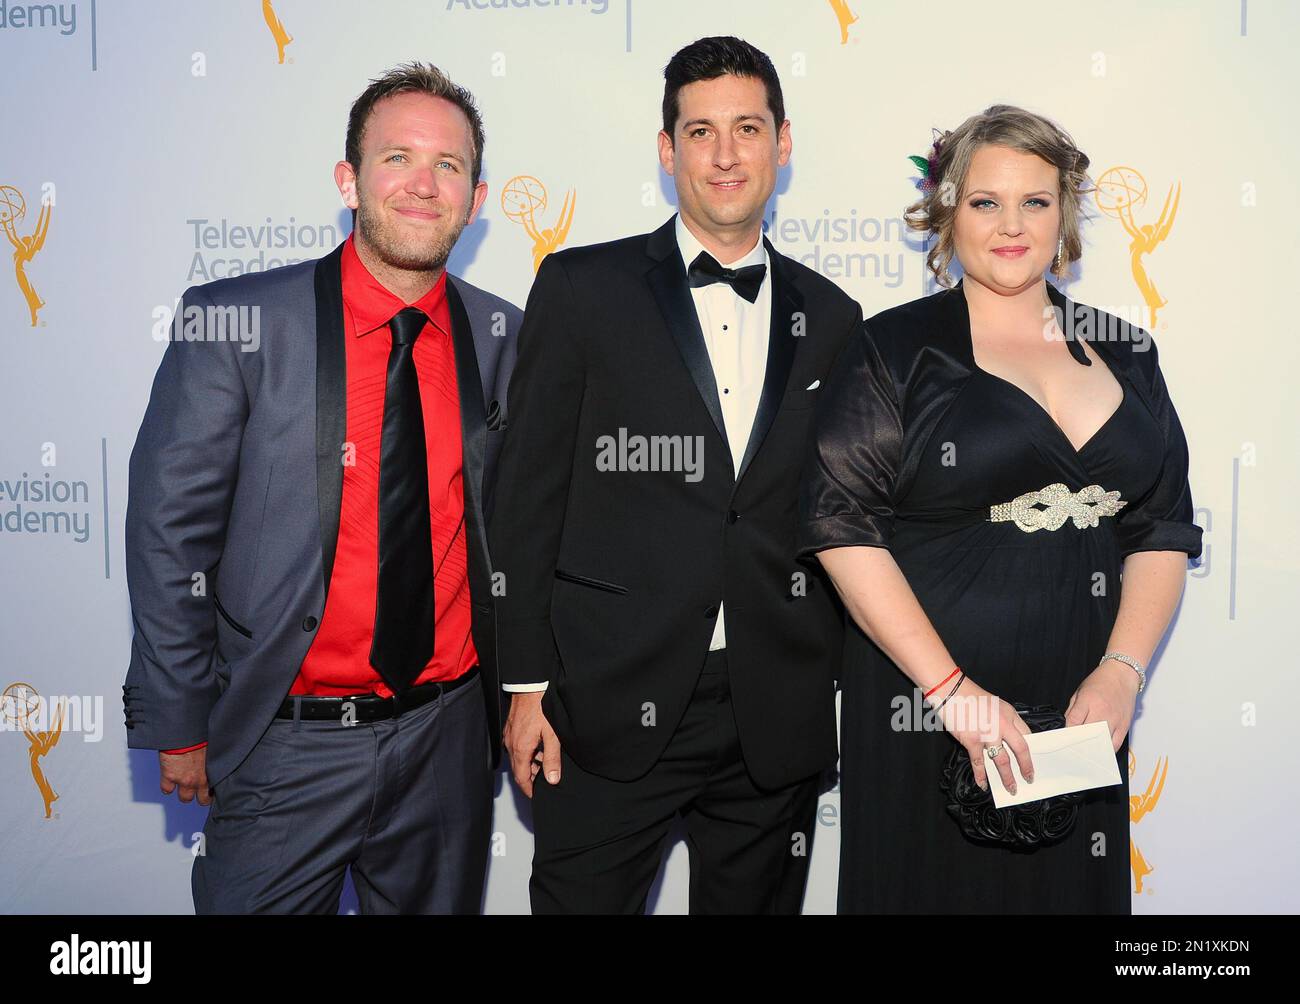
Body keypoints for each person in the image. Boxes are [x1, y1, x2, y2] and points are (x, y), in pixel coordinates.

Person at [122, 62, 520, 914]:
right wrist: (177, 717)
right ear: (349, 180)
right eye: (397, 158)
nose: (423, 184)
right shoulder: (236, 325)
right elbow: (168, 535)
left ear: (476, 198)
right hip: (283, 744)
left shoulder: (504, 337)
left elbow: (526, 536)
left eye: (448, 166)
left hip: (447, 740)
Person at [798, 104, 1202, 913]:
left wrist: (1122, 677)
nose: (1011, 225)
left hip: (1080, 707)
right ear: (949, 211)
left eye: (1035, 201)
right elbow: (843, 529)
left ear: (1067, 213)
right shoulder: (896, 349)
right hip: (928, 701)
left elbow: (1159, 529)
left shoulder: (1126, 350)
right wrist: (952, 692)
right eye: (985, 202)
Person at [490, 36, 862, 914]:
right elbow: (525, 497)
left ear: (783, 141)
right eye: (700, 132)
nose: (725, 155)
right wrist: (523, 684)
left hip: (774, 710)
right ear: (667, 150)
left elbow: (841, 513)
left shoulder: (834, 315)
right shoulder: (583, 288)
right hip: (605, 704)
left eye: (747, 128)